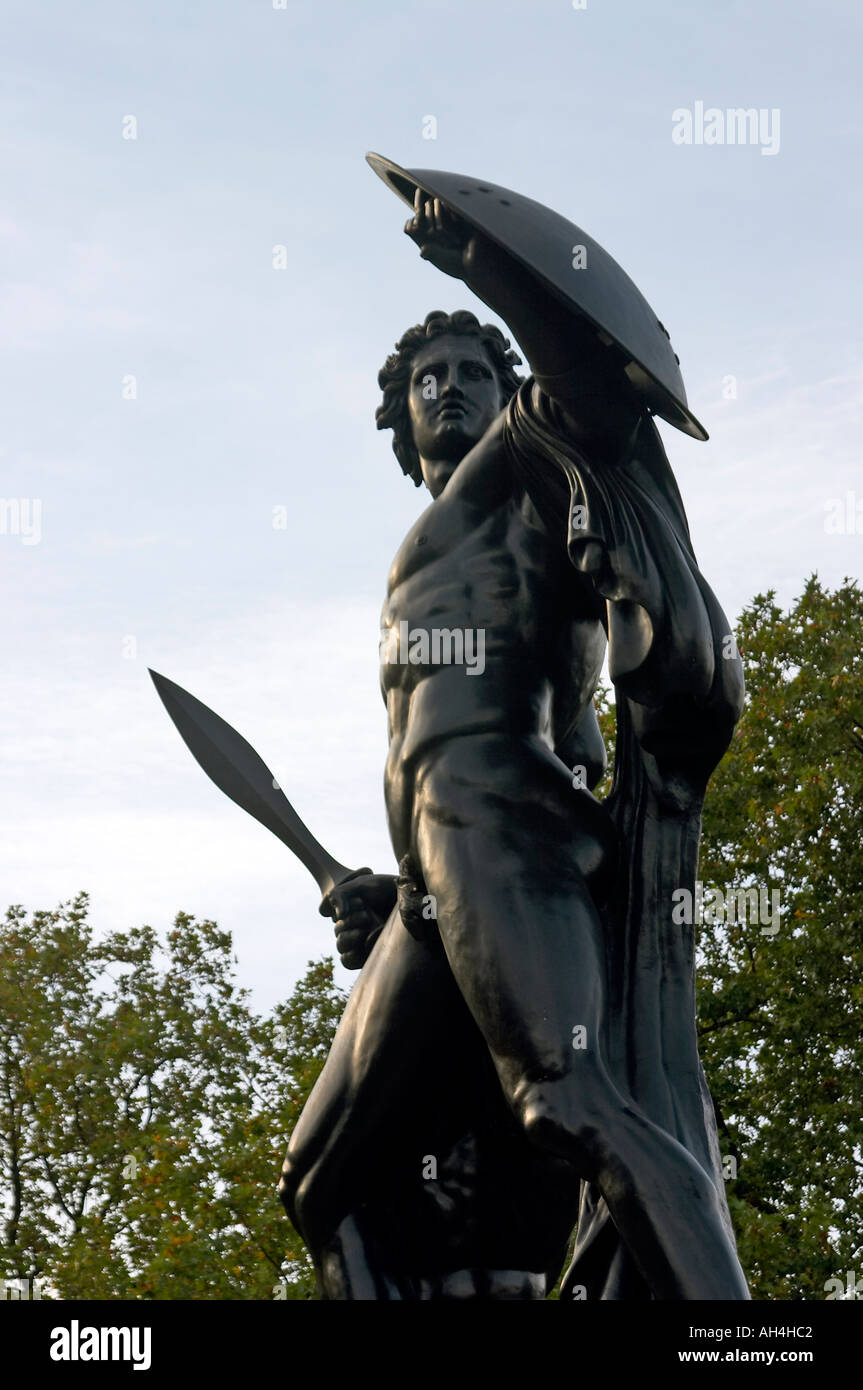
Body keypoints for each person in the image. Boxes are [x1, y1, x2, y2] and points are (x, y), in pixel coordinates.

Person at [278, 194, 749, 1301]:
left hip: (502, 824)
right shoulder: (426, 541)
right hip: (429, 882)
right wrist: (374, 882)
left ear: (503, 396)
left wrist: (491, 268)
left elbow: (589, 381)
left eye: (469, 370)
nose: (445, 386)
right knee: (320, 1185)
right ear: (399, 423)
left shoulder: (517, 469)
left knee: (568, 1102)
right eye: (423, 378)